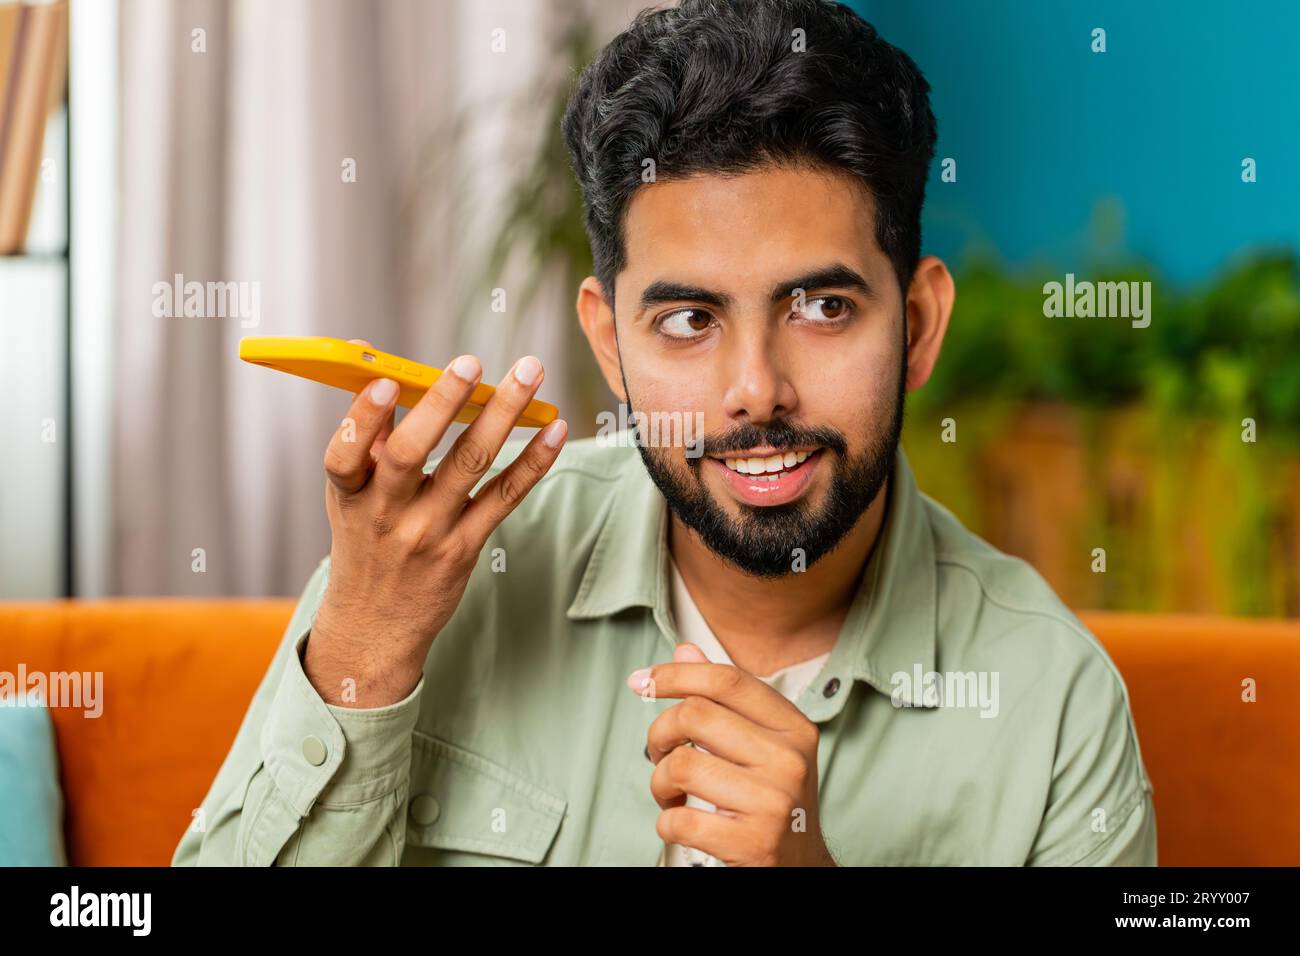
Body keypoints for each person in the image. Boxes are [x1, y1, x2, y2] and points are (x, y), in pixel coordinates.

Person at [174, 0, 1155, 866]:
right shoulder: (426, 564)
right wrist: (365, 646)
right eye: (688, 319)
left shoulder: (1052, 706)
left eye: (820, 307)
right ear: (609, 341)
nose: (754, 391)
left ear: (919, 324)